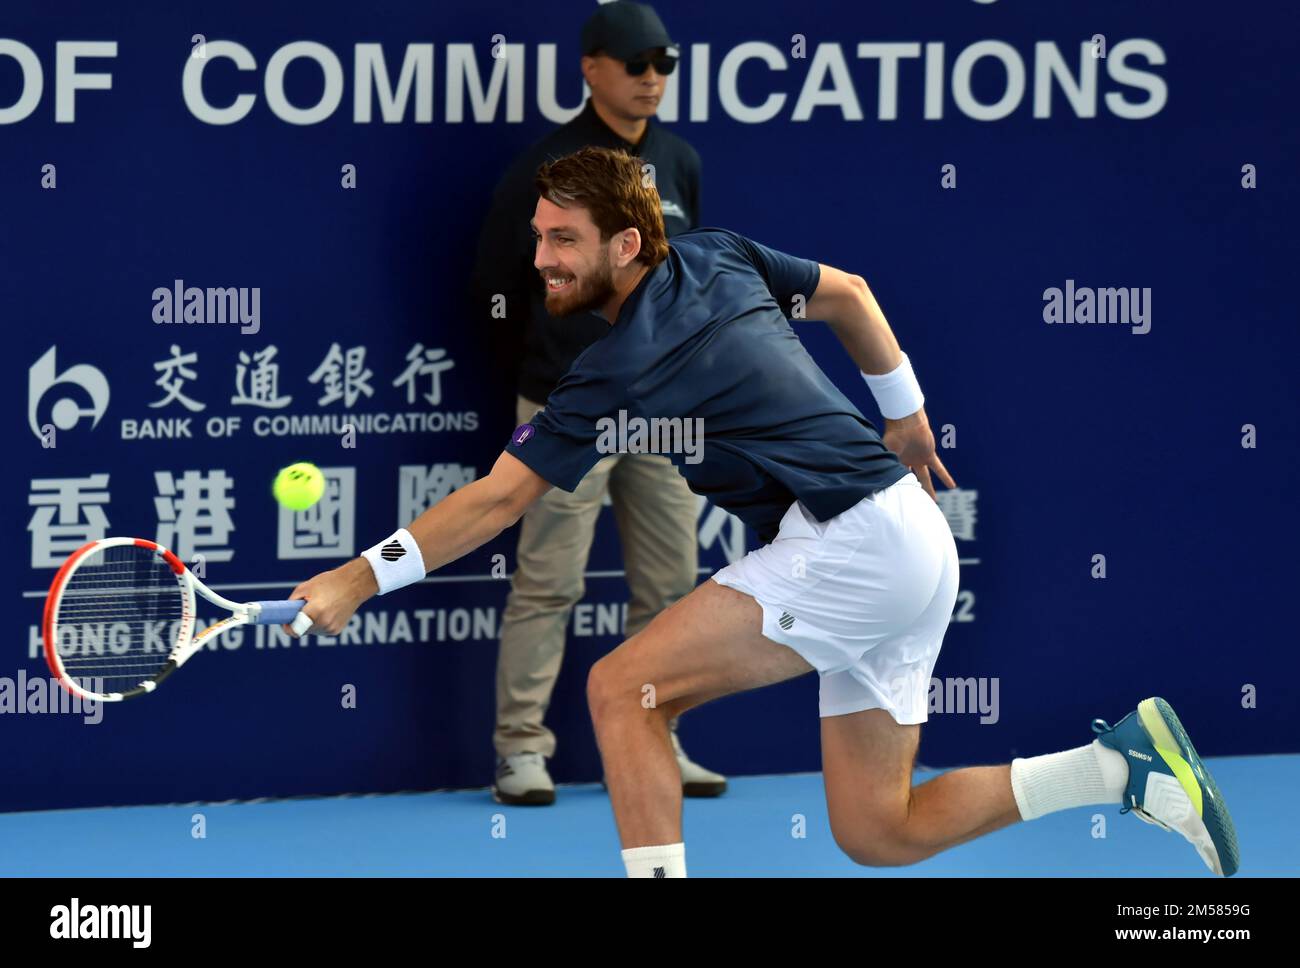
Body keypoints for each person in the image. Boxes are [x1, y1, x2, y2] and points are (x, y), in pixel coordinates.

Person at [290, 147, 1241, 879]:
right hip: (909, 544)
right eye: (537, 236)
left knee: (625, 692)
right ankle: (1118, 770)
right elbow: (851, 297)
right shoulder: (720, 253)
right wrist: (905, 415)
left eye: (561, 239)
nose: (539, 257)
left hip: (855, 544)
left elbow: (500, 499)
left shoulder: (614, 369)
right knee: (879, 831)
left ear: (627, 243)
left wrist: (356, 577)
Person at [470, 0, 724, 805]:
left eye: (664, 64)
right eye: (634, 62)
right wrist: (553, 375)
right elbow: (499, 290)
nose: (651, 78)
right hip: (566, 408)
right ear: (592, 68)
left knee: (672, 588)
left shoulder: (680, 160)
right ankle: (519, 751)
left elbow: (690, 285)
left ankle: (657, 740)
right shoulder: (549, 166)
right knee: (548, 583)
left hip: (665, 412)